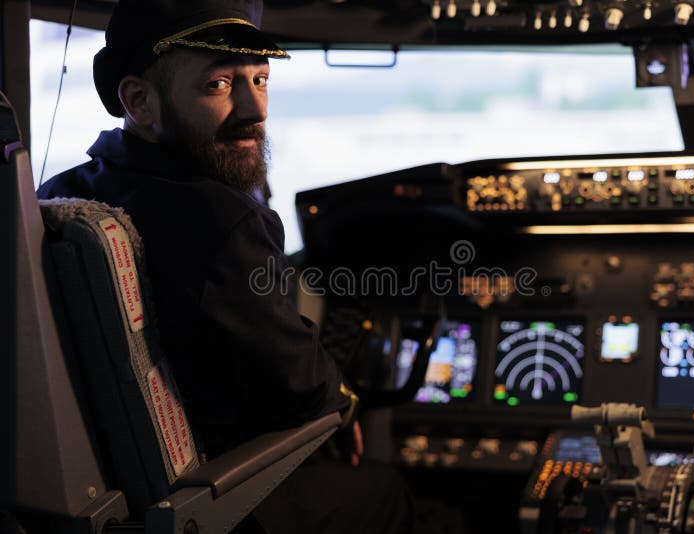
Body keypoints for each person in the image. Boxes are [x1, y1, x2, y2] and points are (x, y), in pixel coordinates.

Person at [37, 1, 413, 532]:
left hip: (118, 500)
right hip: (214, 499)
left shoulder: (59, 196)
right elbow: (296, 388)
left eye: (260, 79)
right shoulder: (224, 220)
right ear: (140, 101)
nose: (254, 109)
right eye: (218, 84)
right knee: (384, 488)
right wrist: (344, 400)